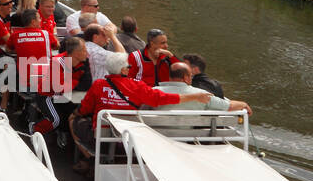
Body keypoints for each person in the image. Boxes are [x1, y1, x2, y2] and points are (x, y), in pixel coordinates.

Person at [69, 54, 205, 174]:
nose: (129, 69)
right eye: (128, 67)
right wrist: (193, 97)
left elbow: (85, 109)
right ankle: (96, 160)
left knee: (72, 120)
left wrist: (76, 113)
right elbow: (161, 98)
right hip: (128, 138)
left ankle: (90, 157)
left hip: (101, 137)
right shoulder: (137, 86)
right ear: (122, 70)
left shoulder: (98, 84)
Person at [158, 63, 251, 113]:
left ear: (169, 77)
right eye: (191, 76)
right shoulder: (201, 95)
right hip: (190, 136)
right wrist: (244, 104)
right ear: (186, 78)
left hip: (156, 136)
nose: (191, 78)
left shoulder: (154, 92)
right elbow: (229, 106)